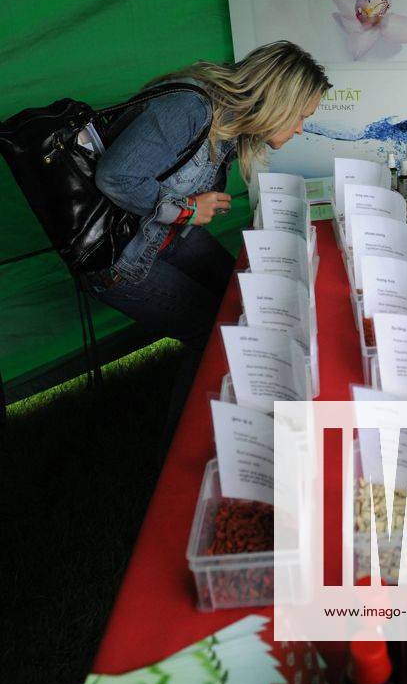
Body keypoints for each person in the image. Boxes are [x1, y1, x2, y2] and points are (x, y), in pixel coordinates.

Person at [84, 40, 330, 448]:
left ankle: (253, 409)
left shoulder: (230, 118)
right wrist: (185, 210)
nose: (301, 128)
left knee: (241, 296)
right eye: (300, 117)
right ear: (278, 101)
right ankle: (186, 452)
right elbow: (115, 178)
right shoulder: (190, 108)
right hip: (120, 259)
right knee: (212, 334)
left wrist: (186, 213)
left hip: (165, 238)